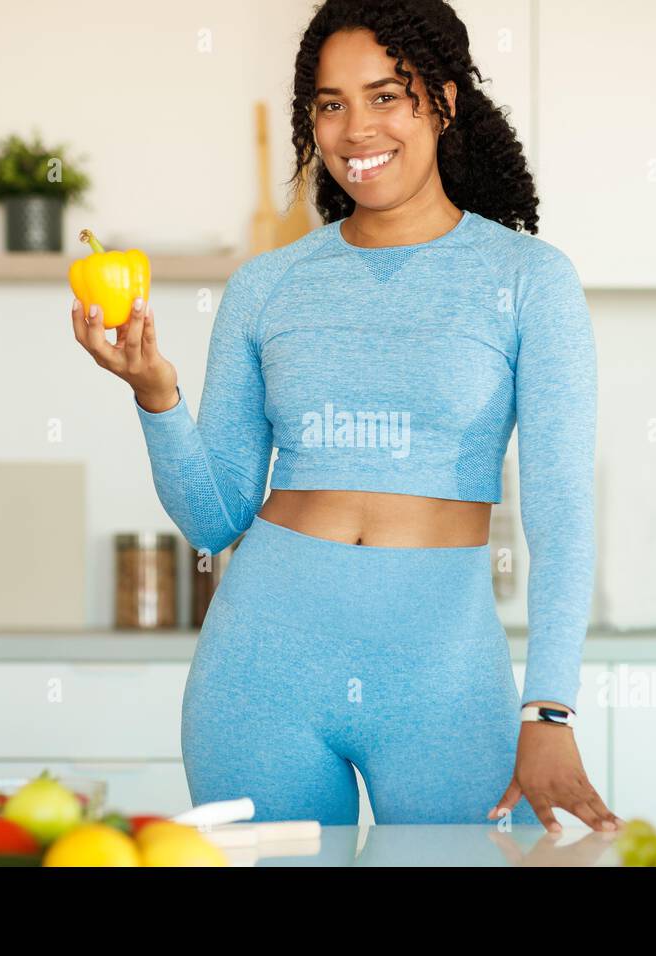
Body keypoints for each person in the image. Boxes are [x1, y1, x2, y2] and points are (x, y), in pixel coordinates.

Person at [71, 0, 618, 834]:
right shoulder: (267, 285)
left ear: (444, 101)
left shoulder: (529, 280)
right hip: (262, 668)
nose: (356, 128)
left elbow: (562, 514)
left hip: (444, 677)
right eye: (331, 104)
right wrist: (156, 394)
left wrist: (549, 707)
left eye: (385, 96)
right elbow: (214, 518)